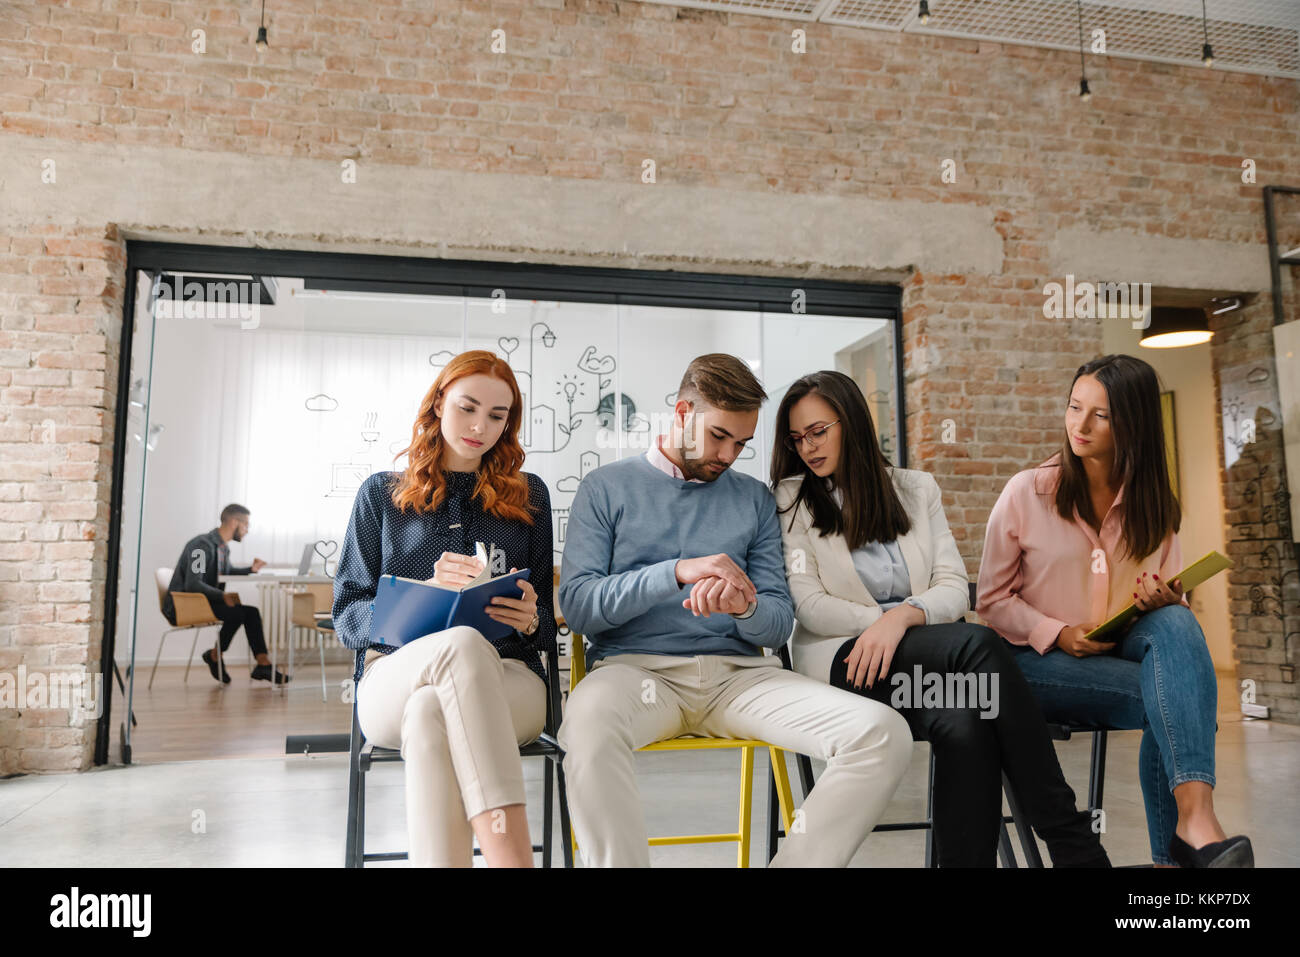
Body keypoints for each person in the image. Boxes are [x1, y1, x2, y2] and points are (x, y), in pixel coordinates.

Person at [557, 353, 913, 868]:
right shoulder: (605, 488)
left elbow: (779, 621)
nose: (729, 454)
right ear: (682, 412)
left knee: (883, 733)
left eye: (741, 443)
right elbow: (581, 607)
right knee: (586, 728)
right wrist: (676, 572)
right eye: (719, 436)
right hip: (637, 674)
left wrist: (746, 607)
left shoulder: (753, 499)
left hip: (742, 679)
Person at [771, 371, 1108, 867]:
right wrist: (881, 623)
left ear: (853, 424)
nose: (807, 447)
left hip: (918, 663)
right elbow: (809, 604)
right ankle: (1069, 838)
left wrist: (903, 618)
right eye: (797, 438)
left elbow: (953, 587)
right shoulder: (791, 498)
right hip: (845, 664)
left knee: (966, 718)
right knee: (978, 645)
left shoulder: (916, 489)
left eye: (818, 431)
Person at [977, 353, 1252, 868]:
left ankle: (1195, 824)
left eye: (1099, 415)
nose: (1079, 425)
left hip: (1118, 654)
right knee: (1179, 700)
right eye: (1074, 407)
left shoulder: (1154, 503)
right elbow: (990, 601)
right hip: (1034, 665)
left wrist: (1165, 600)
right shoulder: (1027, 491)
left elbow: (1174, 607)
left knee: (1175, 622)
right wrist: (1057, 633)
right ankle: (1180, 857)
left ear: (1133, 422)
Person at [333, 350, 553, 868]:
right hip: (394, 675)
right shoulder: (380, 496)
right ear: (437, 404)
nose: (480, 426)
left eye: (497, 416)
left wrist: (533, 618)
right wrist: (419, 594)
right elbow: (347, 615)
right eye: (467, 407)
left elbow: (542, 623)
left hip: (508, 678)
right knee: (456, 646)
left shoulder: (530, 497)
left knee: (432, 712)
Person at [163, 504, 286, 684]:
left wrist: (250, 570)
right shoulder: (201, 546)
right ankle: (216, 656)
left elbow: (227, 571)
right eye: (246, 525)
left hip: (203, 602)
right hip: (184, 605)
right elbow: (193, 584)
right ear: (235, 522)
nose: (247, 530)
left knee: (250, 612)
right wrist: (222, 596)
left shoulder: (222, 547)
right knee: (240, 613)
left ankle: (262, 664)